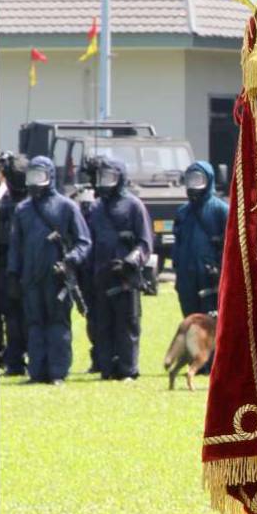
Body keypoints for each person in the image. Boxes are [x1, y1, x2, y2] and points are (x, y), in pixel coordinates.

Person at [7, 155, 91, 385]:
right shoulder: (22, 210)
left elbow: (84, 241)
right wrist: (13, 274)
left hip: (57, 278)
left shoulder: (66, 206)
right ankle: (37, 372)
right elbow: (16, 246)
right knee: (33, 325)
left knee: (57, 324)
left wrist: (70, 261)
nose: (35, 181)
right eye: (31, 175)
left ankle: (57, 373)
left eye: (39, 175)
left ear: (50, 176)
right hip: (31, 279)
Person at [85, 156, 154, 380]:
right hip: (101, 275)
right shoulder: (96, 207)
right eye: (102, 176)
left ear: (120, 178)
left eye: (110, 177)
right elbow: (89, 240)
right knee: (103, 324)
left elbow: (145, 242)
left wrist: (131, 260)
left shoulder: (134, 205)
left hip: (126, 277)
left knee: (127, 324)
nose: (105, 181)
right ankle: (106, 368)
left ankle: (127, 369)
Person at [172, 161, 228, 316]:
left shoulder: (221, 210)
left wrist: (222, 273)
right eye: (190, 180)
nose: (193, 185)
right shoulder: (183, 212)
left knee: (211, 325)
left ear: (208, 180)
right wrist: (178, 274)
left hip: (210, 278)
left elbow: (231, 249)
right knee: (190, 322)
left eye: (198, 179)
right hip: (186, 279)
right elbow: (177, 245)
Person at [0, 155, 29, 377]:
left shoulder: (33, 206)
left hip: (28, 269)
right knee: (13, 317)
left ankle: (22, 359)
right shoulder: (4, 206)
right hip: (5, 268)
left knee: (26, 317)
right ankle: (13, 360)